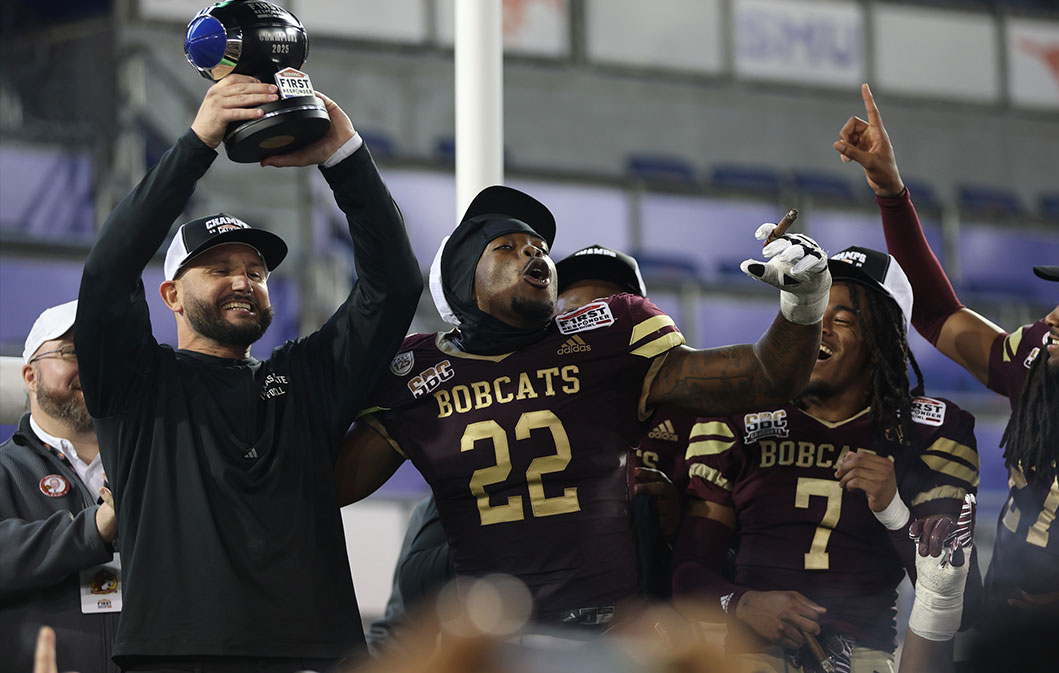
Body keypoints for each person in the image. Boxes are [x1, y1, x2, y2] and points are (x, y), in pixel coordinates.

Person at [336, 186, 832, 629]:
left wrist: (805, 303)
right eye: (506, 246)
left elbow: (768, 377)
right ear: (463, 277)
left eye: (539, 247)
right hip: (491, 640)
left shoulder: (607, 334)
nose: (533, 252)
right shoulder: (416, 373)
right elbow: (329, 488)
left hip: (609, 631)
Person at [74, 75, 423, 672]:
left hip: (313, 656)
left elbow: (393, 286)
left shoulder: (305, 379)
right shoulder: (135, 382)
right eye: (219, 269)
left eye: (255, 272)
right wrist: (198, 143)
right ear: (171, 295)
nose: (243, 281)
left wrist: (345, 158)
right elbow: (108, 271)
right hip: (176, 658)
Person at [832, 84, 1059, 623]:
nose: (1051, 318)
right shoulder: (1038, 361)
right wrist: (891, 190)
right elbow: (936, 314)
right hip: (997, 632)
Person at [364, 244, 697, 653]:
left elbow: (737, 558)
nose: (595, 331)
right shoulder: (490, 452)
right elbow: (411, 593)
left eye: (605, 313)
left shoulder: (685, 431)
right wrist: (512, 535)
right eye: (575, 314)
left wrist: (678, 530)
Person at [672, 246, 980, 673]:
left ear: (882, 340)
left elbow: (962, 599)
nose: (820, 329)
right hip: (750, 660)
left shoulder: (926, 431)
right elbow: (687, 576)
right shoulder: (738, 417)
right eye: (814, 313)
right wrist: (742, 603)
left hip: (864, 660)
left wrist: (894, 510)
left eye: (843, 320)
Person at [1, 301, 119, 673]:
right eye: (72, 351)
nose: (93, 364)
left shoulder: (148, 463)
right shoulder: (4, 470)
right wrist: (95, 528)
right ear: (30, 376)